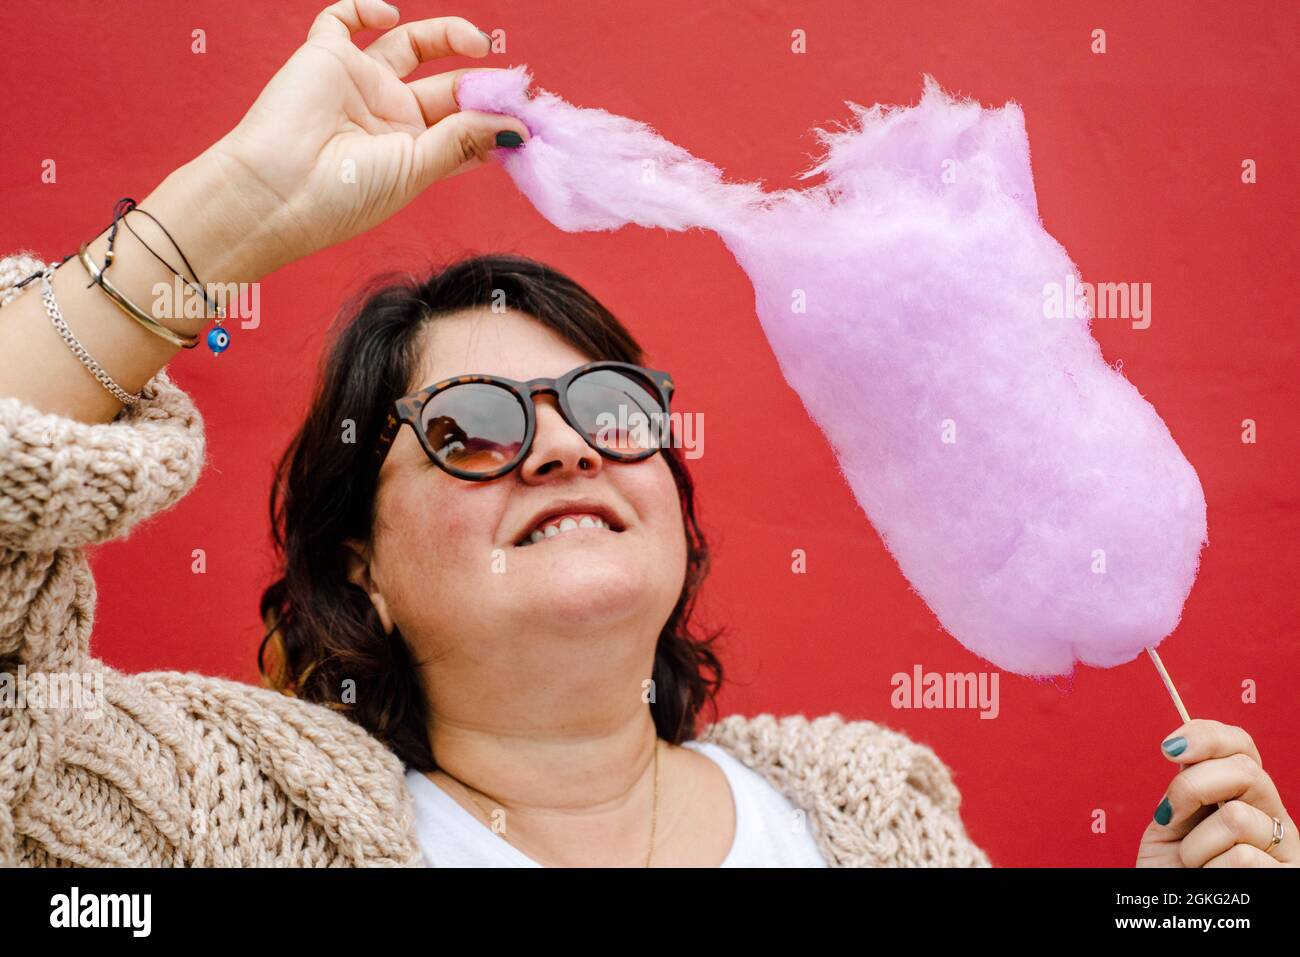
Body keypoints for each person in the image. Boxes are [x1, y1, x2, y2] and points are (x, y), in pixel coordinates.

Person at [0, 1, 1292, 869]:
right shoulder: (205, 815)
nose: (565, 450)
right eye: (471, 428)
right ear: (361, 569)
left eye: (613, 410)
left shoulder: (881, 816)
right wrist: (219, 218)